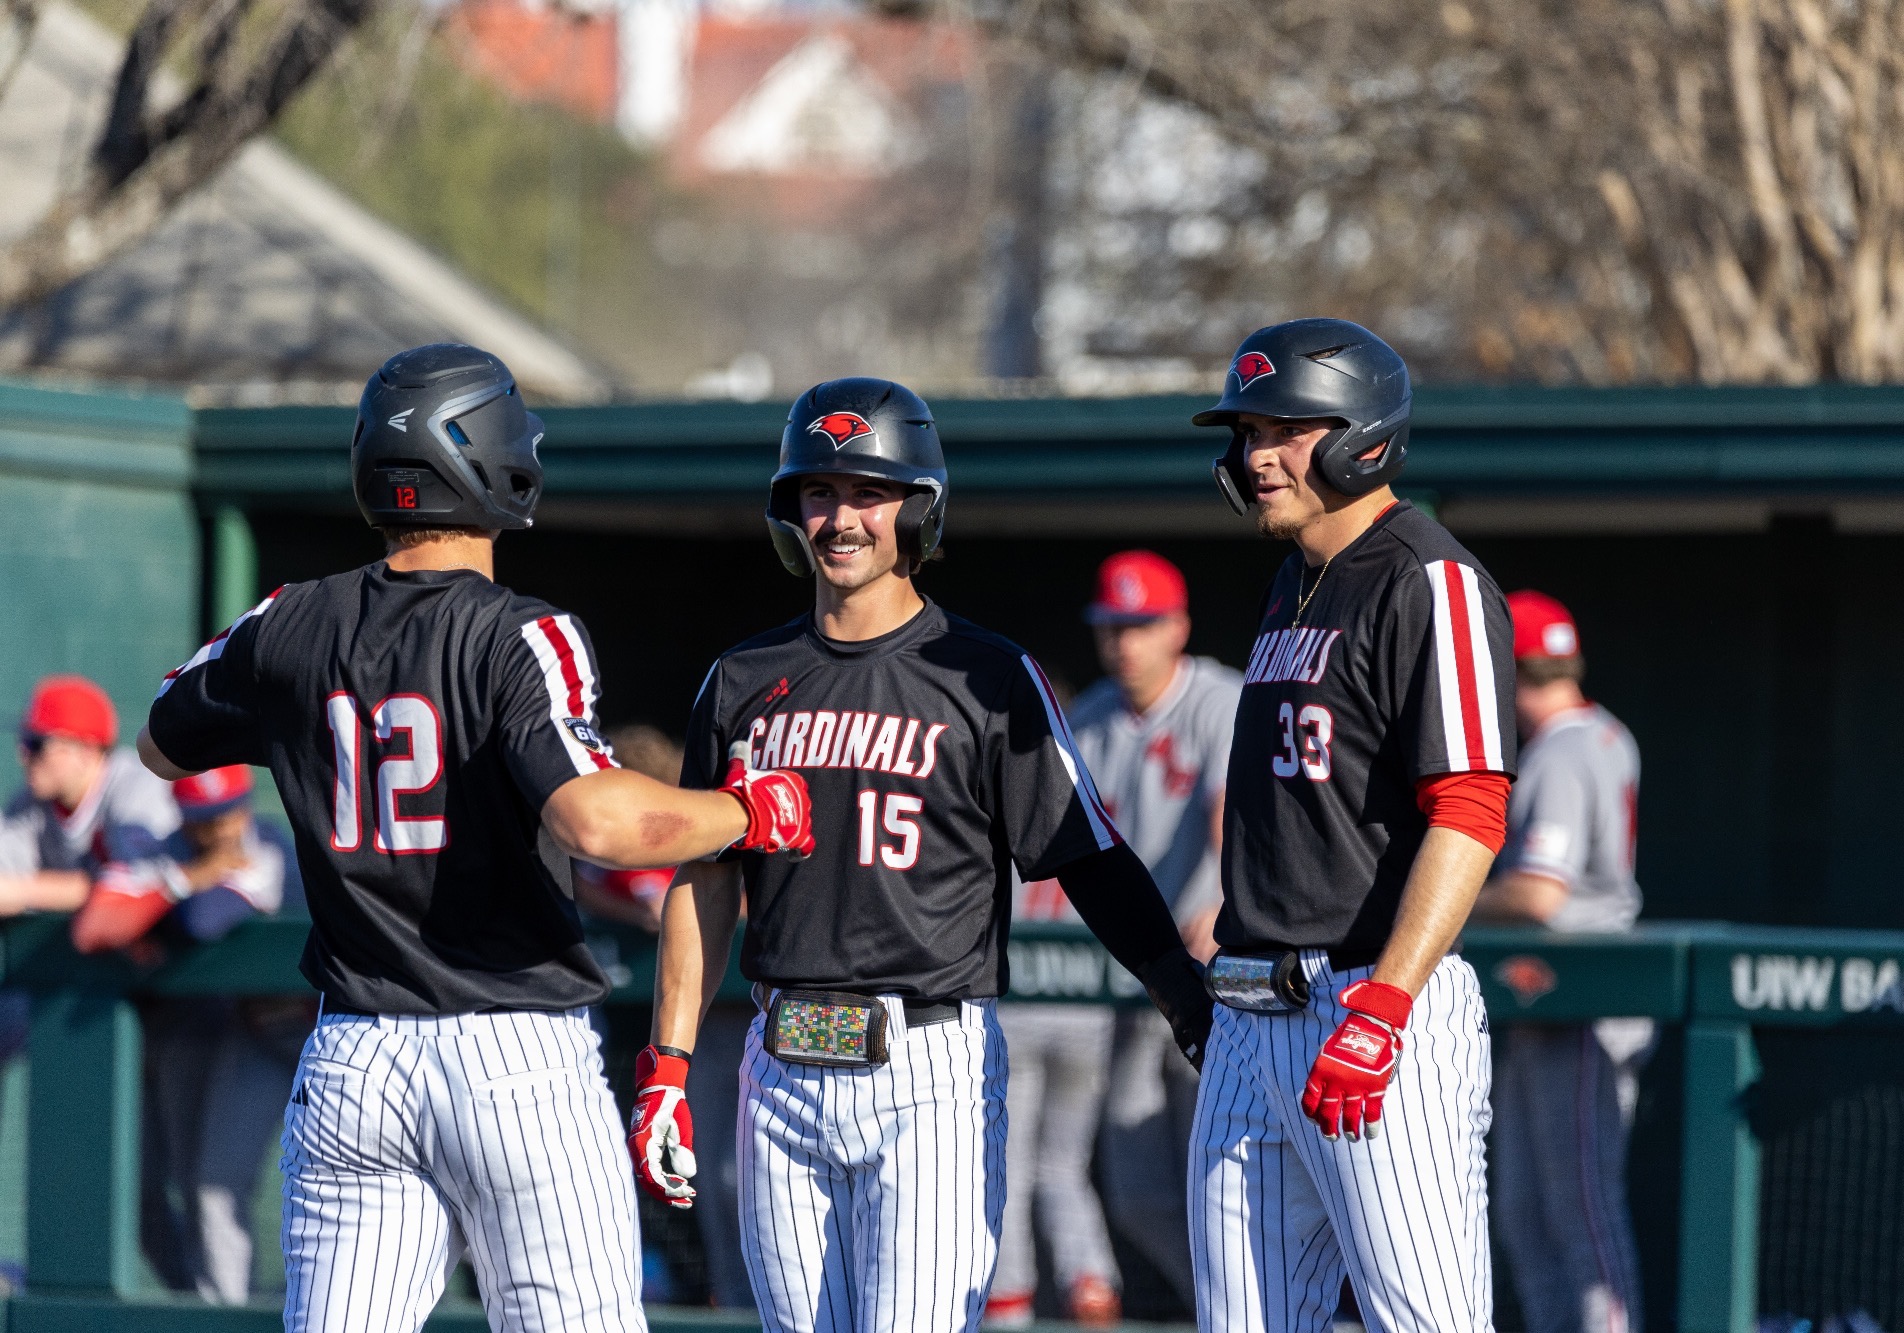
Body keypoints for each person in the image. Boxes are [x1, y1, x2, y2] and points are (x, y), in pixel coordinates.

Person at [137, 342, 815, 1333]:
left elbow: (161, 742)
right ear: (490, 456)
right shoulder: (520, 632)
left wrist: (307, 704)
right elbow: (595, 820)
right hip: (511, 1050)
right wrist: (750, 809)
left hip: (354, 1052)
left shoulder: (288, 620)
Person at [633, 377, 1213, 1333]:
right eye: (819, 492)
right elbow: (704, 878)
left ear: (919, 507)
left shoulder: (985, 673)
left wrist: (1183, 998)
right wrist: (667, 1063)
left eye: (868, 492)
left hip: (928, 1063)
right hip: (781, 1058)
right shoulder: (739, 679)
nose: (840, 518)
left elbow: (1089, 857)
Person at [1189, 318, 1516, 1332]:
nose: (1257, 457)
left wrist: (1384, 1004)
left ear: (1361, 436)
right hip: (1250, 1008)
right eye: (1248, 433)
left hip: (1368, 1003)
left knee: (1424, 1320)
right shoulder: (1294, 577)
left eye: (1286, 430)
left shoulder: (1428, 577)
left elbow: (1470, 808)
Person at [1472, 590, 1648, 1333]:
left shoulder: (1561, 749)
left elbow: (1539, 894)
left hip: (1581, 998)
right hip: (1552, 999)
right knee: (1524, 1212)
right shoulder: (1603, 733)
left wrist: (1441, 899)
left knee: (1578, 1212)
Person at [1069, 550, 1239, 1315]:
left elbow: (1233, 816)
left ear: (1178, 627)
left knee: (1232, 1178)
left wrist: (1226, 898)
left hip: (1219, 977)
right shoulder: (1091, 716)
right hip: (1139, 978)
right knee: (1137, 1191)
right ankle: (1228, 1308)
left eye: (1141, 625)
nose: (1124, 642)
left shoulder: (1219, 699)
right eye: (1113, 626)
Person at [74, 764, 308, 1305]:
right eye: (206, 819)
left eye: (229, 814)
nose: (221, 831)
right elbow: (97, 926)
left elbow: (203, 920)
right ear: (184, 818)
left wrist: (167, 894)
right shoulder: (176, 851)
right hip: (259, 1036)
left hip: (329, 1036)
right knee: (211, 1187)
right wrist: (189, 877)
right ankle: (223, 1316)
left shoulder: (269, 845)